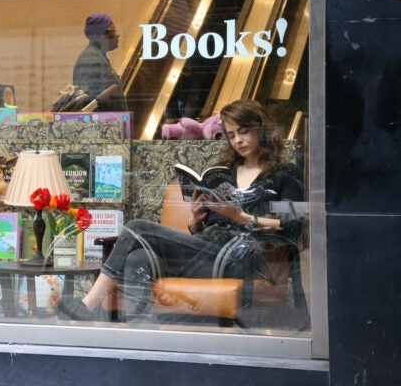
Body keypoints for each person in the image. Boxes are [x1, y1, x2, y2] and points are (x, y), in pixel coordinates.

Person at [57, 99, 305, 321]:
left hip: (242, 257)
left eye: (244, 131)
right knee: (137, 258)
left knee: (136, 228)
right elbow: (208, 226)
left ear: (260, 130)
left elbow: (294, 227)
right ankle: (136, 328)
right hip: (208, 250)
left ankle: (89, 304)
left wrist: (243, 217)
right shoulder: (223, 172)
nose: (237, 140)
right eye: (231, 135)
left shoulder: (285, 174)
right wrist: (197, 221)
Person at [72, 13, 127, 111]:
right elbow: (91, 102)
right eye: (113, 31)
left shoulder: (97, 57)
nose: (117, 35)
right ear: (101, 35)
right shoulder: (91, 60)